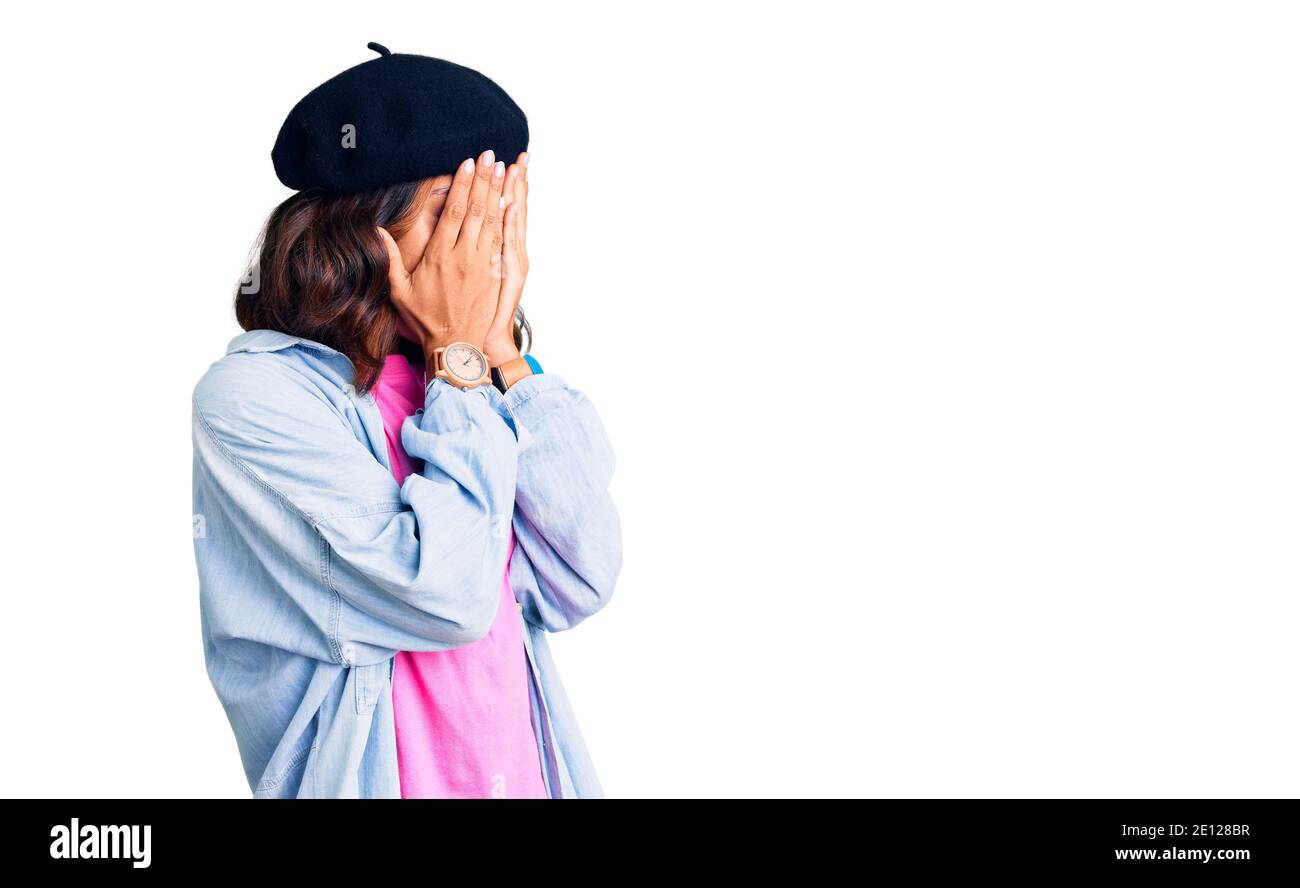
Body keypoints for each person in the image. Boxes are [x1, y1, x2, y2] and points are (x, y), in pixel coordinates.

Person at [190, 44, 622, 798]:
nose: (484, 246)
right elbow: (444, 598)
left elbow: (579, 577)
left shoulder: (463, 383)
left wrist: (497, 356)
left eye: (498, 215)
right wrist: (459, 360)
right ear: (364, 231)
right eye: (456, 212)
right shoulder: (255, 399)